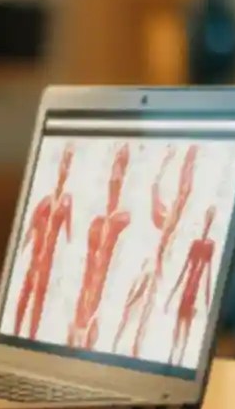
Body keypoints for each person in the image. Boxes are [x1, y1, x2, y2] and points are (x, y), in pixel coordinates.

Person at [113, 144, 197, 358]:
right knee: (132, 313)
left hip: (156, 273)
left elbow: (180, 190)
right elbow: (159, 187)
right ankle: (118, 347)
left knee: (142, 316)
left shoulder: (170, 216)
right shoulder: (159, 214)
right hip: (149, 268)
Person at [67, 142, 132, 350]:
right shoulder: (96, 221)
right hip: (82, 304)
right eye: (113, 169)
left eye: (120, 168)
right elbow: (84, 266)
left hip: (103, 306)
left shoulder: (125, 220)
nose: (114, 177)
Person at [12, 143, 75, 340]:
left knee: (38, 299)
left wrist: (64, 272)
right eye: (64, 161)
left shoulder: (67, 201)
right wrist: (19, 257)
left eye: (69, 162)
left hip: (47, 263)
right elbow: (28, 233)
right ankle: (15, 334)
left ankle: (30, 337)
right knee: (26, 295)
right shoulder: (45, 201)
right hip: (34, 261)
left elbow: (69, 236)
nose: (65, 167)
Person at [166, 205, 217, 366]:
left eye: (211, 218)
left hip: (194, 294)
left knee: (186, 328)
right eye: (207, 217)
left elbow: (208, 276)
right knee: (178, 325)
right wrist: (171, 295)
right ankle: (172, 355)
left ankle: (179, 357)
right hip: (186, 292)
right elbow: (184, 270)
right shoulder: (196, 244)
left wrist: (209, 304)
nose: (208, 221)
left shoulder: (209, 245)